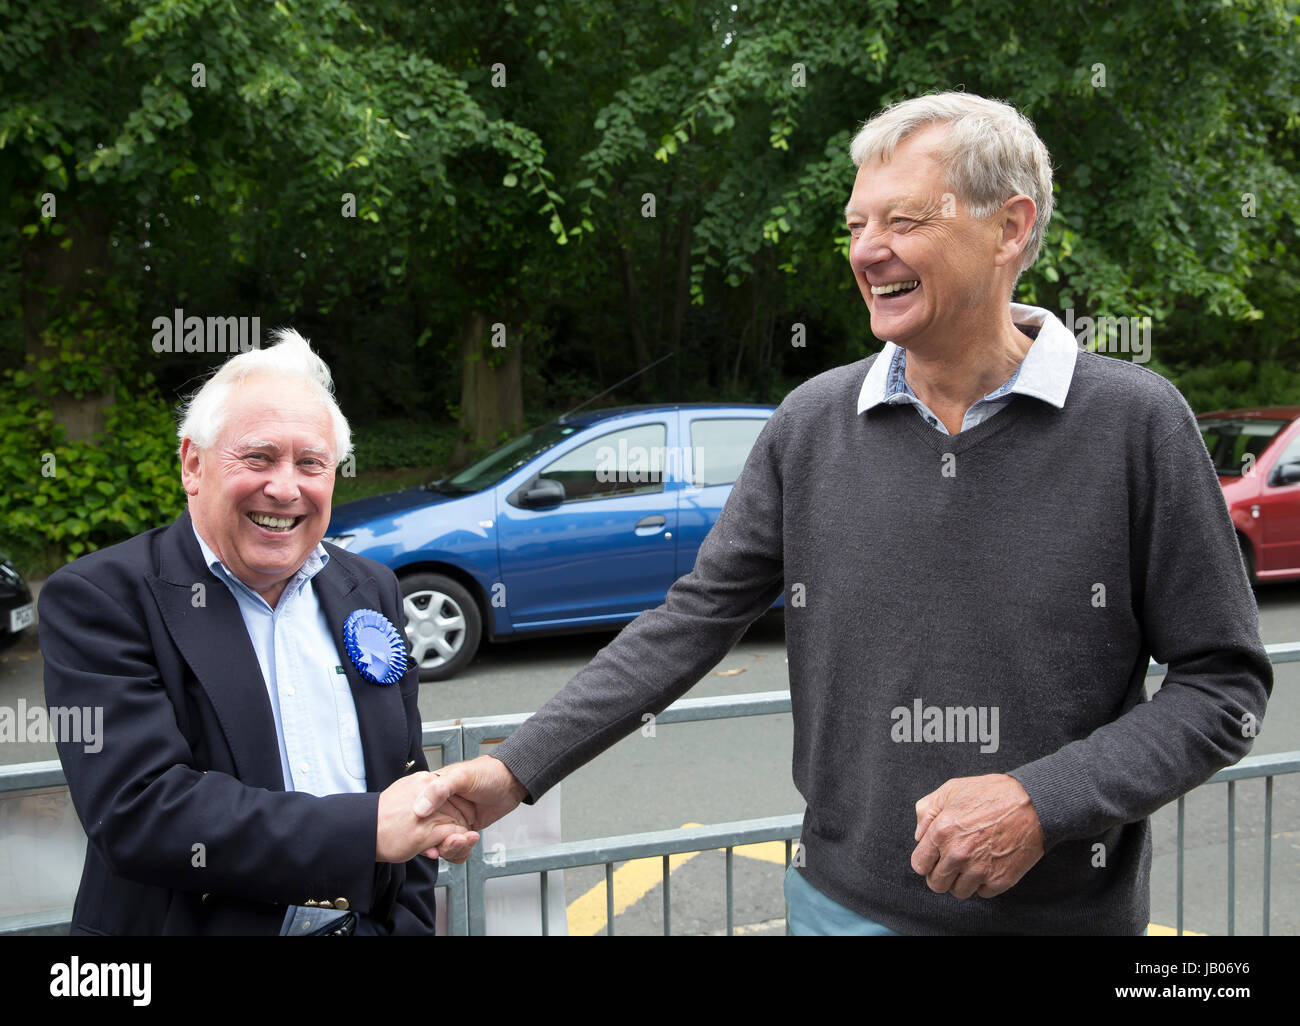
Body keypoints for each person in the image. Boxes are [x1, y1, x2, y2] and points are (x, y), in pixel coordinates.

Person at [412, 92, 1273, 935]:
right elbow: (694, 617)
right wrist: (514, 769)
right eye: (856, 226)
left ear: (1011, 227)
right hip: (838, 910)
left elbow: (1222, 686)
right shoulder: (812, 422)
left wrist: (1040, 802)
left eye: (903, 221)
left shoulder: (1136, 421)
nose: (868, 251)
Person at [40, 329, 478, 935]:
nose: (285, 488)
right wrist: (365, 831)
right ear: (193, 464)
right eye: (259, 457)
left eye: (311, 463)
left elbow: (402, 778)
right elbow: (138, 813)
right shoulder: (99, 597)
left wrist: (404, 923)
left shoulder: (371, 587)